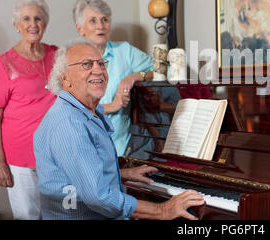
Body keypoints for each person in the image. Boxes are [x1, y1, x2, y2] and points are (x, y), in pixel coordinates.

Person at [33, 41, 204, 220]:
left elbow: (80, 175)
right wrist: (163, 210)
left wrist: (122, 174)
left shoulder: (85, 111)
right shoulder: (69, 124)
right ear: (64, 78)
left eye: (101, 63)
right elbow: (99, 198)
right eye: (86, 65)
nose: (98, 70)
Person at [0, 0, 58, 219]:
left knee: (60, 214)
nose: (33, 24)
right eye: (26, 19)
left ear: (46, 23)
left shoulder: (57, 55)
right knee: (28, 216)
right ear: (16, 25)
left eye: (38, 18)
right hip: (20, 157)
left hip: (55, 154)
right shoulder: (4, 64)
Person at [73, 0, 153, 156]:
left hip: (123, 149)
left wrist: (135, 76)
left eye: (104, 20)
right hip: (87, 150)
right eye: (93, 21)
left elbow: (164, 69)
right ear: (80, 29)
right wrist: (112, 106)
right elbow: (73, 110)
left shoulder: (124, 51)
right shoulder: (72, 60)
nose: (100, 26)